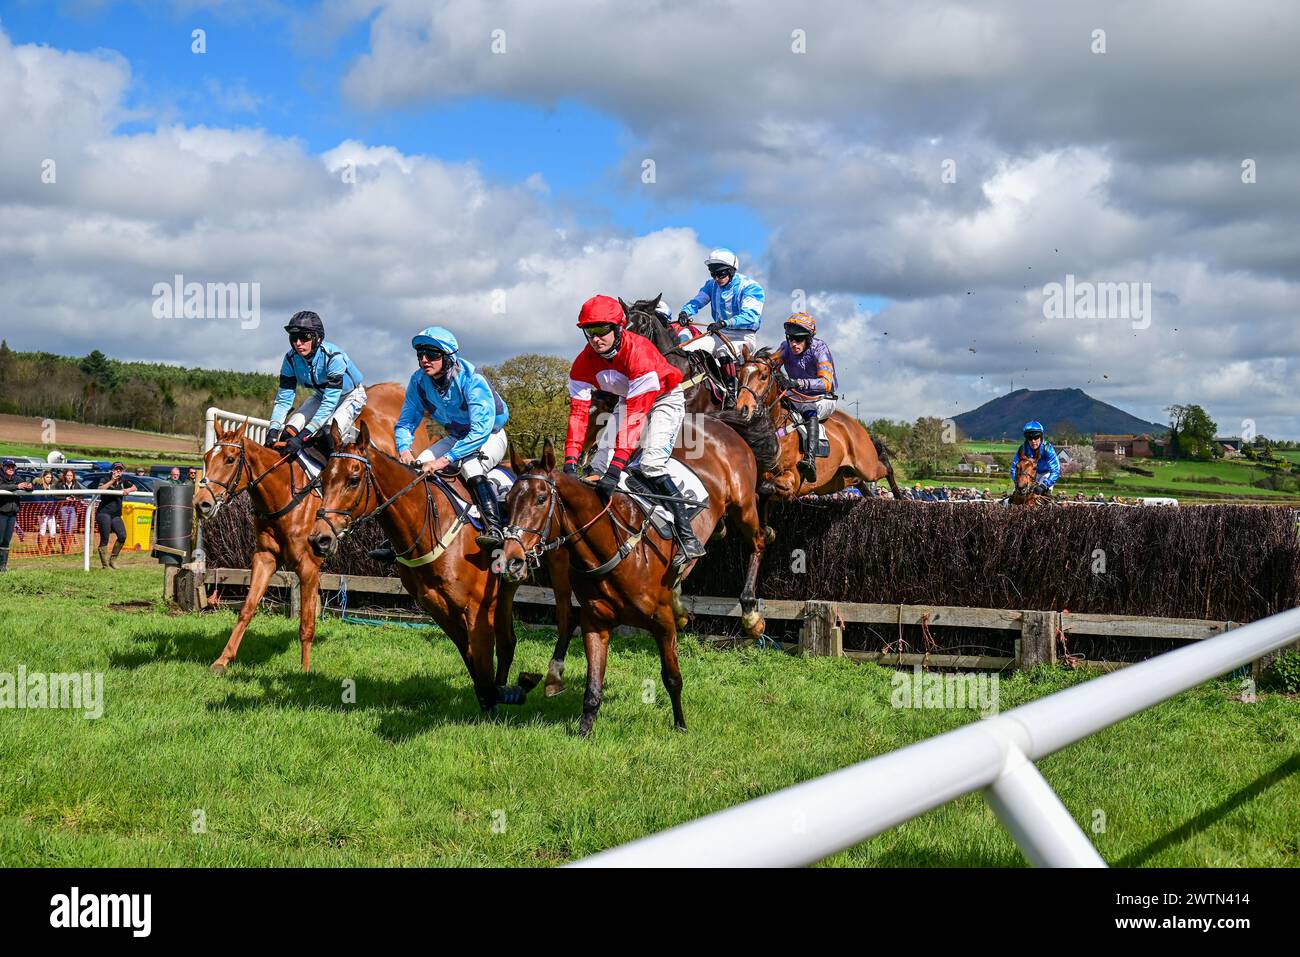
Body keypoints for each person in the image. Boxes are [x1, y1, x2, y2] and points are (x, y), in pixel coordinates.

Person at [565, 294, 705, 562]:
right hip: (628, 400)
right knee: (595, 468)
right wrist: (571, 461)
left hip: (664, 398)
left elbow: (635, 419)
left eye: (602, 331)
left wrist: (616, 469)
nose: (595, 339)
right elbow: (579, 415)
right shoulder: (582, 364)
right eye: (589, 332)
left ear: (618, 328)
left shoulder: (638, 352)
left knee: (651, 464)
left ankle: (688, 535)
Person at [370, 326, 511, 561]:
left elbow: (479, 431)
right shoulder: (418, 381)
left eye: (432, 355)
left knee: (470, 466)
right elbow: (405, 423)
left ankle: (494, 528)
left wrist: (444, 460)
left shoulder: (472, 380)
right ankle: (395, 542)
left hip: (489, 436)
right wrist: (404, 449)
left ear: (448, 357)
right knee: (413, 471)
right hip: (456, 435)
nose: (424, 360)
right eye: (420, 355)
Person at [266, 310, 366, 458]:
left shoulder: (334, 358)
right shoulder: (290, 359)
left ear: (317, 338)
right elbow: (283, 399)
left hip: (350, 396)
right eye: (294, 337)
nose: (298, 343)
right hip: (320, 396)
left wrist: (304, 436)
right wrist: (273, 429)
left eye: (304, 337)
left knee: (327, 434)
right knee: (288, 433)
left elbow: (329, 404)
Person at [676, 248, 765, 405]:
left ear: (731, 271)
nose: (717, 278)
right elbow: (698, 301)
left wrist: (725, 323)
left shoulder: (750, 287)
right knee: (687, 351)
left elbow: (751, 316)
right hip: (719, 333)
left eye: (721, 274)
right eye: (713, 274)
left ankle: (731, 396)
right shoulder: (711, 285)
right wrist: (685, 312)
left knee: (723, 352)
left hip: (743, 335)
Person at [772, 312, 838, 482]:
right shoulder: (786, 347)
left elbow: (826, 383)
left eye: (799, 340)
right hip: (796, 395)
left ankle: (810, 460)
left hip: (822, 397)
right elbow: (772, 365)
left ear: (809, 339)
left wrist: (797, 383)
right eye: (791, 339)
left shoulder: (820, 349)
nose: (794, 344)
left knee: (808, 409)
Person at [95, 463, 137, 569]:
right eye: (116, 469)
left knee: (122, 536)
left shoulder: (123, 481)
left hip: (116, 514)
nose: (118, 471)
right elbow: (100, 489)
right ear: (112, 470)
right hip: (104, 513)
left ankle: (112, 561)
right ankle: (105, 566)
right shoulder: (105, 478)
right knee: (105, 539)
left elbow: (135, 487)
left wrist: (128, 490)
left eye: (120, 470)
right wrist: (112, 480)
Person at [0, 459, 34, 573]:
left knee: (6, 541)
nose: (10, 469)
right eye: (8, 466)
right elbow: (2, 486)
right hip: (1, 513)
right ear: (3, 467)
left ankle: (3, 567)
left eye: (12, 467)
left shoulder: (16, 477)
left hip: (12, 514)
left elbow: (27, 486)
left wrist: (29, 486)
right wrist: (17, 486)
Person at [1010, 421, 1061, 495]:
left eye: (1036, 437)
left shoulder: (1048, 449)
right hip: (1029, 474)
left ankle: (1050, 504)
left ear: (1041, 437)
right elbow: (1014, 468)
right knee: (1016, 493)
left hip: (1046, 473)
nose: (1033, 441)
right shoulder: (1023, 449)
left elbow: (1055, 471)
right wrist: (1017, 481)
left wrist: (1044, 486)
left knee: (1044, 494)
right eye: (1030, 438)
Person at [56, 469, 82, 553]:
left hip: (72, 508)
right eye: (68, 475)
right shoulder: (60, 485)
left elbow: (81, 496)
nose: (69, 477)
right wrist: (65, 498)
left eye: (71, 475)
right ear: (65, 476)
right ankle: (63, 548)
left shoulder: (76, 485)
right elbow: (55, 496)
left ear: (73, 476)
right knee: (64, 528)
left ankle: (67, 549)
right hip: (63, 507)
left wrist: (75, 498)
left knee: (70, 528)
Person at [34, 470, 59, 555]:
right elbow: (37, 500)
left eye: (50, 477)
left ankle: (48, 549)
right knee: (42, 531)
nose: (49, 479)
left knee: (53, 532)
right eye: (47, 477)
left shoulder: (52, 486)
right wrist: (42, 511)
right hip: (43, 513)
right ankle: (41, 550)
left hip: (51, 512)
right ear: (43, 477)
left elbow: (55, 499)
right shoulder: (39, 486)